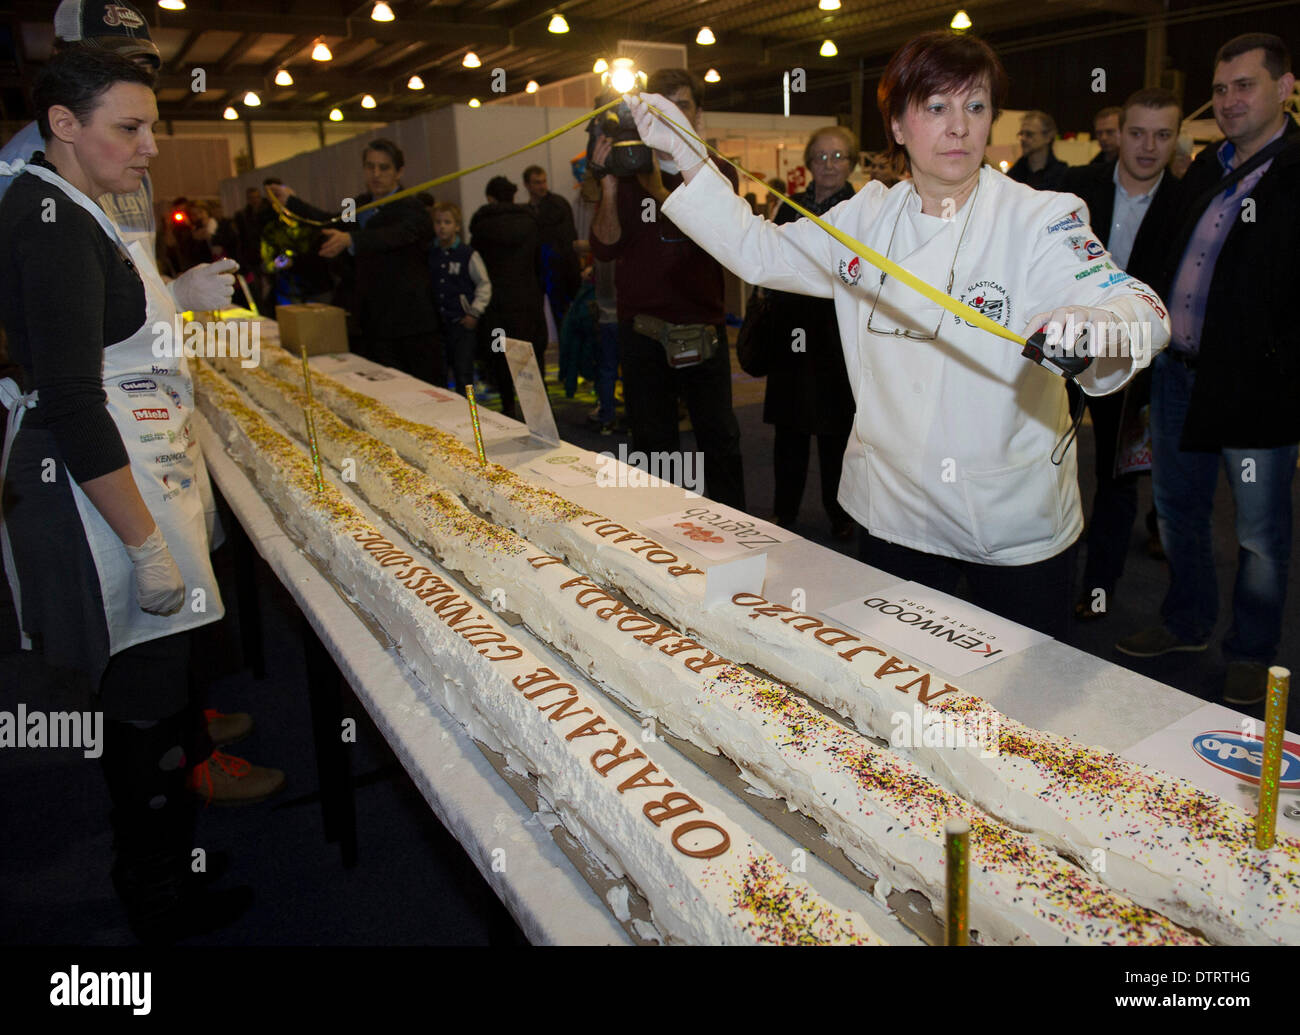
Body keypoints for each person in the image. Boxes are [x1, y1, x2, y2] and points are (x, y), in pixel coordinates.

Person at [628, 30, 1170, 638]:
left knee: (1020, 719)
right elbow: (761, 252)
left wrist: (1101, 324)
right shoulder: (867, 215)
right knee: (898, 689)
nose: (959, 127)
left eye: (976, 106)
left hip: (1009, 526)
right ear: (897, 124)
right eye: (936, 108)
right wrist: (688, 162)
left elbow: (1138, 304)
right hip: (891, 516)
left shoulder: (1040, 218)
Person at [0, 48, 261, 942]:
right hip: (103, 496)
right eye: (130, 127)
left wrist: (176, 303)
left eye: (152, 124)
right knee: (144, 712)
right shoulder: (47, 219)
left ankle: (161, 867)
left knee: (157, 698)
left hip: (132, 468)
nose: (151, 145)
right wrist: (147, 544)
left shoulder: (76, 203)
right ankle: (155, 897)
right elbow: (73, 397)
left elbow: (112, 327)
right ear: (63, 126)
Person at [1115, 33, 1298, 706]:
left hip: (1255, 391)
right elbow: (1166, 257)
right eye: (1220, 90)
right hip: (1179, 377)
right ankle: (1187, 621)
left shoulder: (1294, 171)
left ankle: (1252, 651)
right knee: (1178, 511)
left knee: (1258, 531)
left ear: (1285, 88)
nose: (1228, 101)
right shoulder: (1205, 169)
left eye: (1244, 86)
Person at [589, 67, 747, 510]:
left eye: (684, 104)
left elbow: (716, 236)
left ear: (698, 113)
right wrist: (606, 181)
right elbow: (604, 246)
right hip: (641, 332)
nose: (674, 113)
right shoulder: (626, 167)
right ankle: (661, 536)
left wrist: (658, 188)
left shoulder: (715, 173)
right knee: (652, 445)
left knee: (720, 439)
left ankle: (743, 534)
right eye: (665, 104)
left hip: (703, 327)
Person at [1063, 89, 1183, 622]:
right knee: (1049, 463)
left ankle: (1099, 586)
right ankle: (1050, 571)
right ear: (1117, 132)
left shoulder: (1187, 204)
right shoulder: (1076, 193)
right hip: (1064, 351)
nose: (1148, 146)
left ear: (1176, 138)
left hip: (1135, 366)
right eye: (1138, 133)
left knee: (1117, 480)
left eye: (1163, 135)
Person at [271, 139, 441, 385]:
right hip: (372, 322)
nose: (376, 174)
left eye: (384, 168)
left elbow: (394, 235)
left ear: (399, 172)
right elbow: (330, 221)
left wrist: (351, 240)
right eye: (370, 167)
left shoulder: (412, 207)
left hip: (411, 324)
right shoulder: (358, 204)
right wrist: (292, 202)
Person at [761, 125, 859, 540]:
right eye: (821, 156)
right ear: (808, 163)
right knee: (790, 433)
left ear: (851, 163)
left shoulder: (860, 209)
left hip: (837, 338)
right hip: (790, 335)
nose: (829, 165)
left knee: (837, 435)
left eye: (838, 157)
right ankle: (785, 511)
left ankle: (840, 515)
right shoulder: (790, 206)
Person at [469, 175, 548, 418]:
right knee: (529, 354)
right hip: (526, 297)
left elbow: (477, 269)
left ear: (490, 198)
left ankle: (507, 406)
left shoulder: (480, 227)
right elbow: (539, 262)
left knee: (500, 356)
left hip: (496, 301)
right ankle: (536, 411)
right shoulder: (530, 222)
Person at [429, 201, 491, 395]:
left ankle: (471, 417)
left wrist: (474, 312)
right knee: (438, 375)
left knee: (464, 375)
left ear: (457, 226)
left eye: (447, 222)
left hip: (461, 324)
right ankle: (446, 419)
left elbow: (484, 284)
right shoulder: (431, 253)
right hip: (438, 324)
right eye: (438, 222)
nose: (442, 227)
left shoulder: (467, 254)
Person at [523, 164, 581, 333]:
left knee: (565, 317)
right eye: (537, 182)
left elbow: (567, 240)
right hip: (543, 272)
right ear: (527, 185)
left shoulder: (557, 205)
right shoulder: (529, 211)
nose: (542, 186)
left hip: (560, 270)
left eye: (543, 181)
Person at [1009, 110, 1070, 190]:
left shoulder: (1061, 175)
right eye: (1021, 134)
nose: (1023, 139)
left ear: (1048, 137)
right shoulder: (1014, 174)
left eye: (1029, 134)